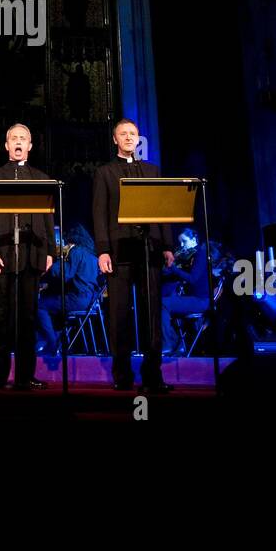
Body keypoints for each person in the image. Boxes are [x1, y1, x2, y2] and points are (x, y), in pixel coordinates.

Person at [93, 118, 175, 392]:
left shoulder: (153, 170)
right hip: (118, 250)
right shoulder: (104, 172)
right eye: (123, 134)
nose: (129, 138)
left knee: (152, 312)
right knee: (119, 313)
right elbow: (100, 214)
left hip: (149, 248)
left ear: (139, 139)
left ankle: (153, 374)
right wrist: (102, 250)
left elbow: (162, 210)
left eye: (133, 134)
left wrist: (167, 245)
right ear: (115, 139)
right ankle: (122, 374)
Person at [0, 123, 54, 390]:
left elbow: (48, 219)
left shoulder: (42, 178)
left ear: (30, 146)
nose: (19, 142)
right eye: (14, 138)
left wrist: (50, 253)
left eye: (23, 138)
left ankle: (25, 377)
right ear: (6, 145)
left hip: (31, 256)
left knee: (28, 318)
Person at [37, 223, 101, 355]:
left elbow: (66, 274)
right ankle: (54, 340)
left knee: (40, 305)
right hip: (91, 302)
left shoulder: (77, 251)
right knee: (55, 306)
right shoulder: (92, 254)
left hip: (78, 299)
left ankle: (51, 341)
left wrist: (52, 266)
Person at [161, 228, 211, 355]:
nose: (182, 246)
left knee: (163, 303)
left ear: (194, 240)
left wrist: (174, 269)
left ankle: (168, 343)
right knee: (162, 299)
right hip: (192, 298)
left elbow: (193, 279)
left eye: (184, 242)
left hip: (200, 300)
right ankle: (178, 344)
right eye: (180, 243)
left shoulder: (200, 254)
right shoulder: (190, 257)